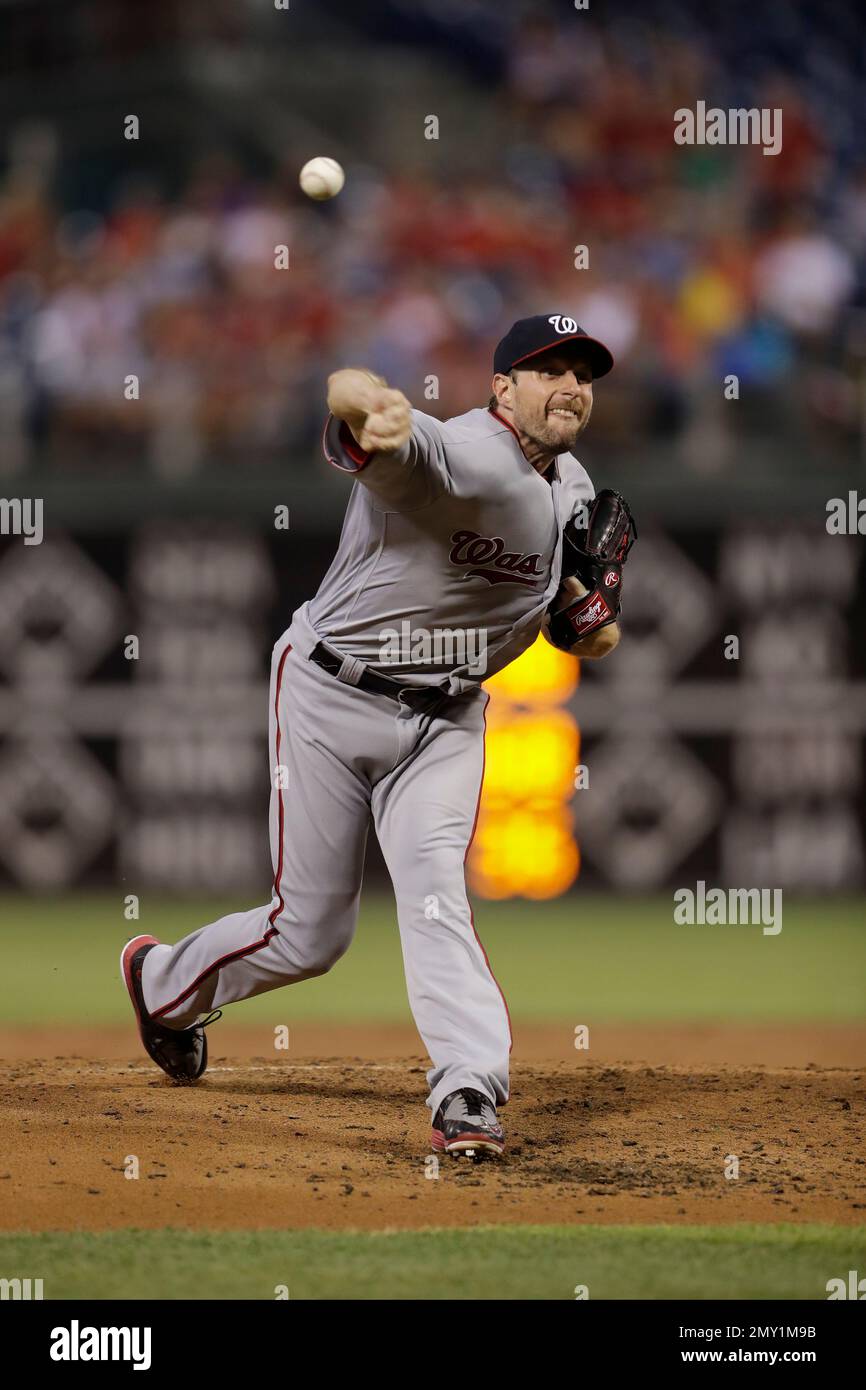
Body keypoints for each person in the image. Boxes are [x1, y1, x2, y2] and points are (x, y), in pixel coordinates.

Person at [120, 314, 624, 1157]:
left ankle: (467, 1089)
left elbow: (590, 639)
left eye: (583, 373)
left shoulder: (574, 490)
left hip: (447, 718)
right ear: (502, 389)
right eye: (548, 371)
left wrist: (593, 602)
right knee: (310, 935)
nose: (571, 386)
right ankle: (162, 983)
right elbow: (349, 398)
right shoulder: (456, 452)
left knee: (436, 895)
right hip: (329, 693)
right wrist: (371, 409)